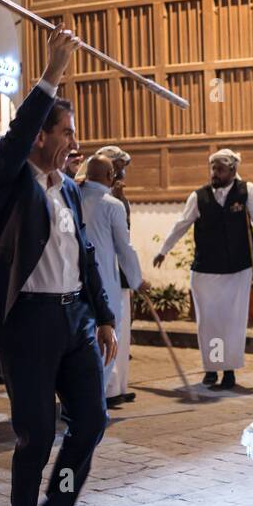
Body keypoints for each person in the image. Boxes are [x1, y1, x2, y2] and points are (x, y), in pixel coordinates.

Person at [0, 25, 117, 506]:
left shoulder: (71, 189)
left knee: (92, 421)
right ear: (38, 134)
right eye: (66, 131)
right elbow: (14, 141)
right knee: (35, 433)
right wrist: (53, 71)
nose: (74, 142)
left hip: (75, 319)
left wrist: (103, 315)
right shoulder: (5, 175)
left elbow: (85, 256)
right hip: (25, 324)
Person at [153, 149, 253, 391]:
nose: (214, 173)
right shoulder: (199, 197)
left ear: (232, 170)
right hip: (206, 271)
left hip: (237, 269)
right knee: (209, 322)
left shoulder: (247, 192)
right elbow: (181, 225)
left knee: (232, 321)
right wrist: (164, 250)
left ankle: (228, 370)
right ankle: (212, 367)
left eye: (220, 169)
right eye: (212, 168)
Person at [79, 155, 146, 406]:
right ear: (110, 176)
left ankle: (81, 396)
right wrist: (137, 280)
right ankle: (96, 398)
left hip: (71, 282)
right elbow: (124, 248)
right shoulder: (111, 204)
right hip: (104, 281)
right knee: (107, 340)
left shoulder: (72, 196)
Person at [93, 145, 136, 405]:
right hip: (102, 271)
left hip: (119, 272)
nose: (121, 172)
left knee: (122, 329)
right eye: (118, 167)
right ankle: (105, 389)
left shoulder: (119, 196)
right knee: (106, 330)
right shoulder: (92, 194)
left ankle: (118, 386)